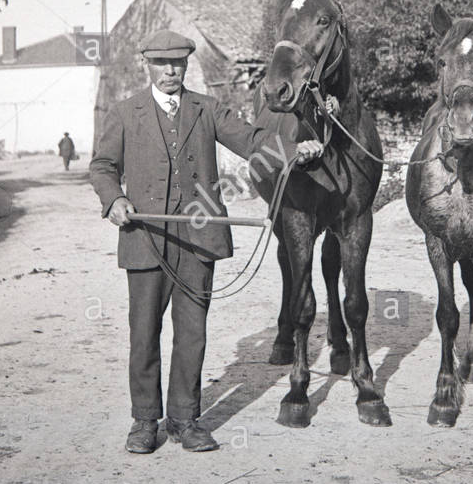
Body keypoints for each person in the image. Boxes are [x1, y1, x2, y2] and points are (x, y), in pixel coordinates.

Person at [89, 29, 322, 454]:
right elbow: (102, 166)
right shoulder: (125, 113)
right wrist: (115, 199)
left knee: (192, 332)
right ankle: (144, 421)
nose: (170, 71)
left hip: (198, 239)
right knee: (144, 333)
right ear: (149, 65)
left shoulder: (207, 108)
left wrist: (292, 149)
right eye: (162, 64)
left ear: (185, 66)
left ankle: (184, 419)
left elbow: (252, 140)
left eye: (177, 63)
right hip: (145, 235)